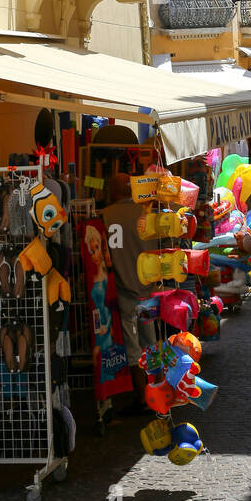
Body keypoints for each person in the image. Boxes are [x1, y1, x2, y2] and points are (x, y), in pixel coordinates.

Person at [101, 174, 156, 411]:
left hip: (124, 291)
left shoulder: (106, 215)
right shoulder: (147, 214)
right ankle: (157, 390)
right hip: (148, 289)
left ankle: (142, 396)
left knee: (132, 344)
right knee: (150, 340)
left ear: (113, 191)